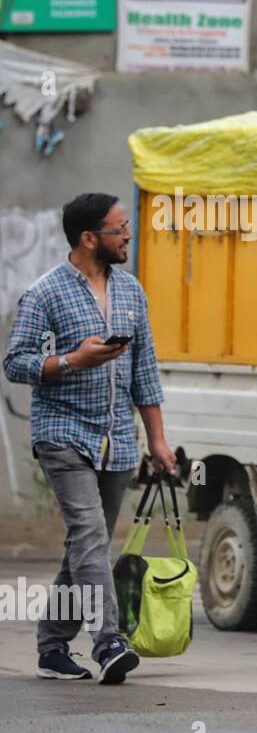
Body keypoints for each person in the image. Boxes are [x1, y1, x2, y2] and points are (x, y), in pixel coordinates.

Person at [3, 192, 176, 684]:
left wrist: (158, 441)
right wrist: (70, 361)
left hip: (118, 439)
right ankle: (109, 641)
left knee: (85, 544)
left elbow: (145, 371)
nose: (128, 236)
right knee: (91, 536)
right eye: (119, 229)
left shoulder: (131, 292)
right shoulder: (44, 294)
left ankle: (52, 645)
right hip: (62, 434)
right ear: (88, 238)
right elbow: (15, 363)